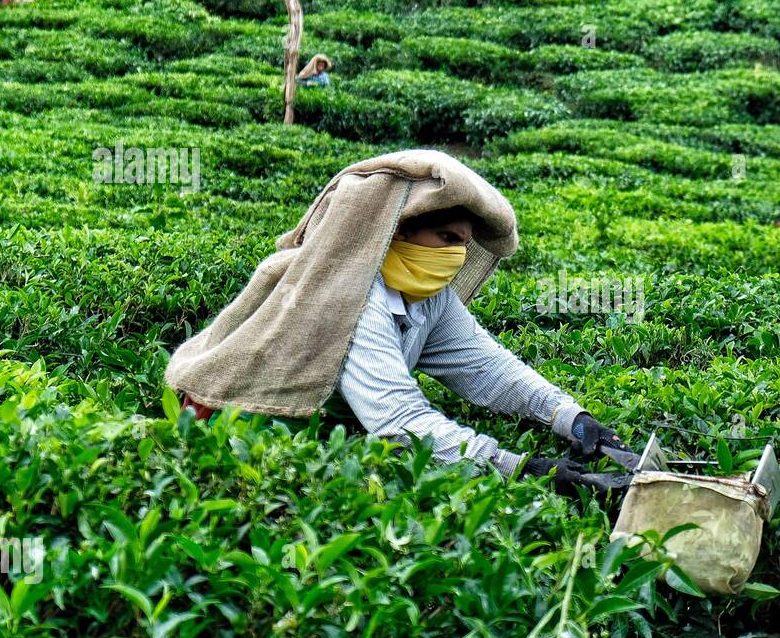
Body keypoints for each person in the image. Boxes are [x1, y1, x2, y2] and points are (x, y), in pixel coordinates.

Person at [166, 149, 625, 497]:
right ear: (399, 229)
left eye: (462, 246)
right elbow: (398, 419)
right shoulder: (347, 298)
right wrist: (520, 467)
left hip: (325, 431)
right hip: (250, 435)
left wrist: (570, 416)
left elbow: (488, 369)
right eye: (446, 239)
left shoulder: (427, 298)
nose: (455, 257)